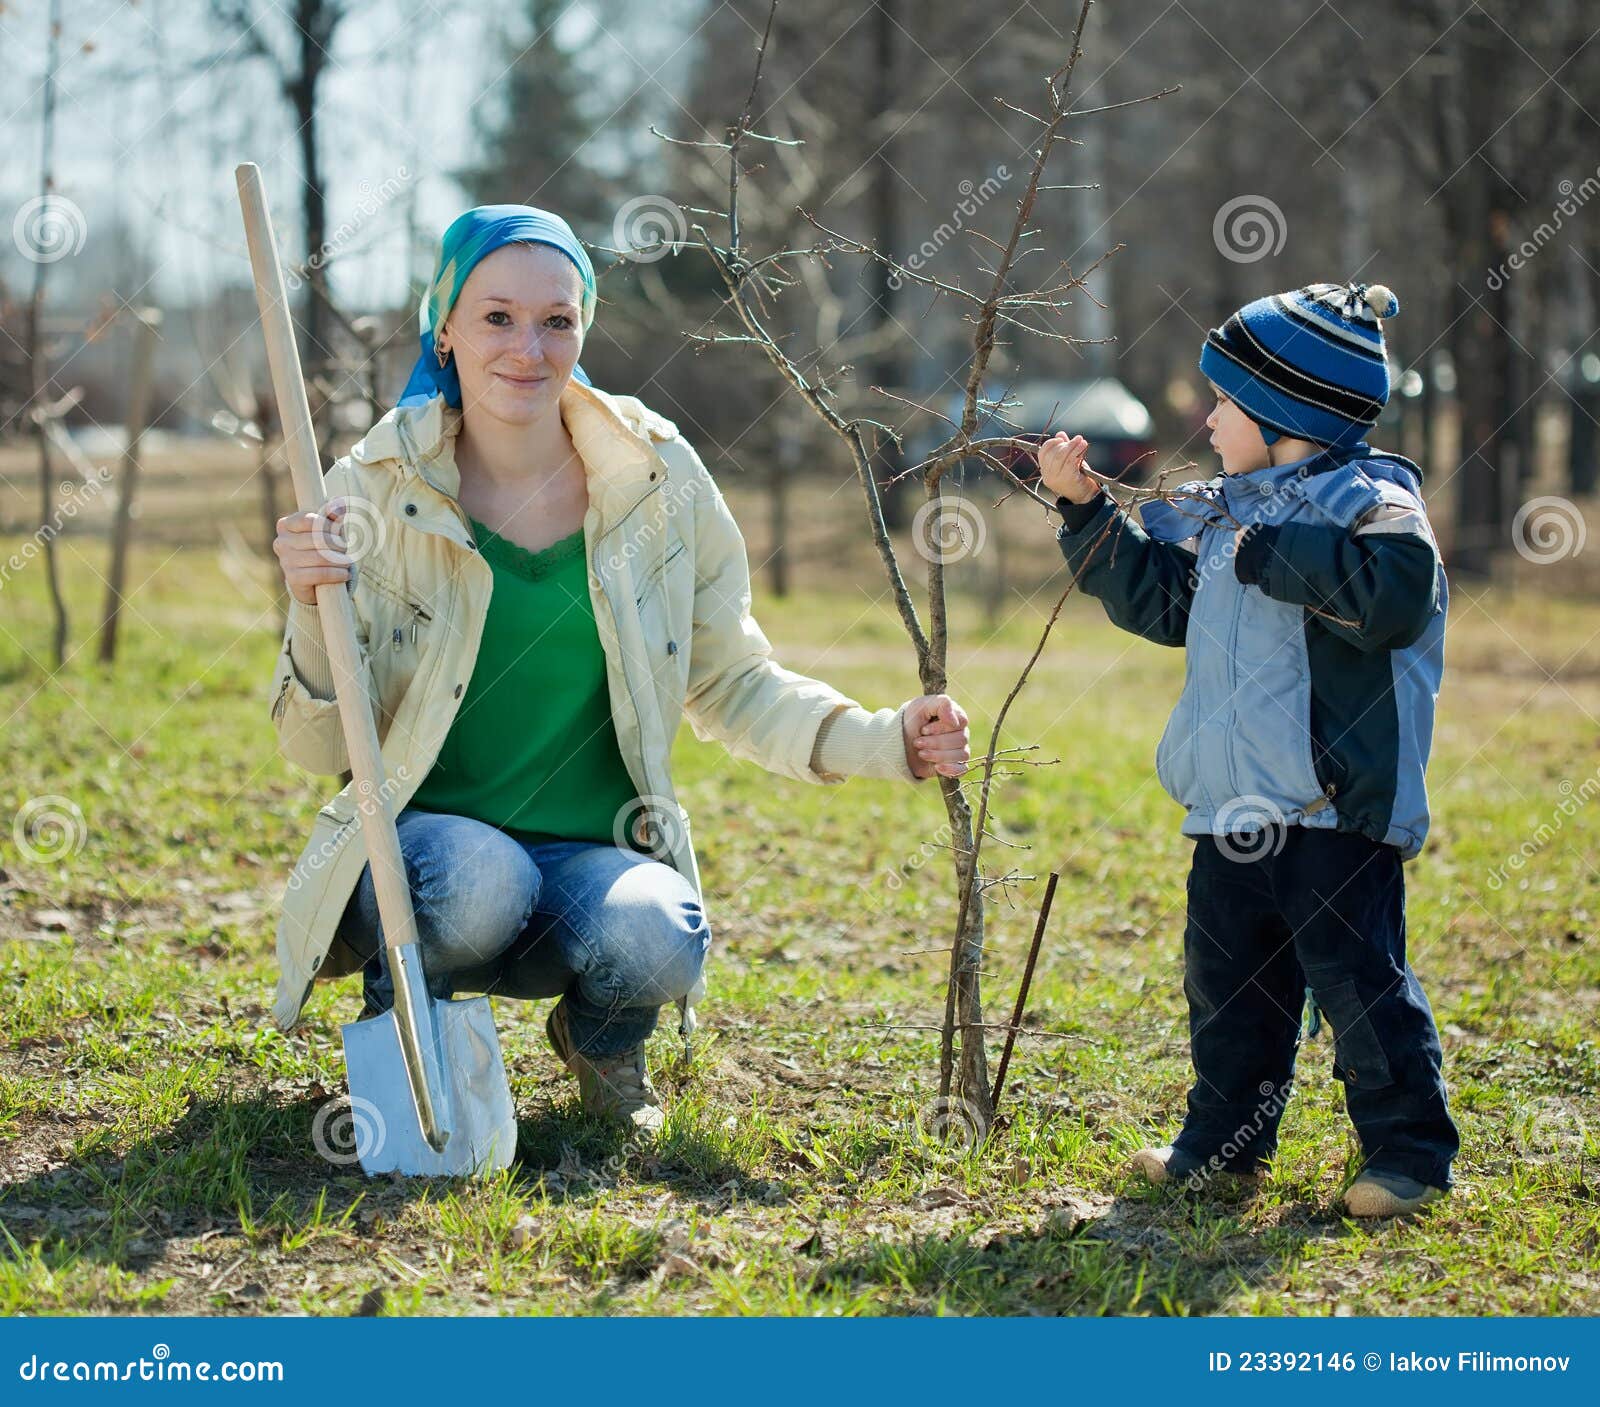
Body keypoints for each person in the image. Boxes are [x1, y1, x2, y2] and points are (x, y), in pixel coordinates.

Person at [267, 204, 971, 1136]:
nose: (529, 347)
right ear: (445, 326)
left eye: (557, 320)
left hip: (585, 859)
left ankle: (603, 1039)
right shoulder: (372, 485)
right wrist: (310, 601)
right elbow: (316, 741)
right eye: (497, 317)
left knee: (659, 930)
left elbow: (731, 678)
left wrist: (887, 741)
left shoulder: (656, 478)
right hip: (430, 858)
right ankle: (407, 1016)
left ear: (583, 330)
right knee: (481, 877)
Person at [1039, 281, 1459, 1217]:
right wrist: (1085, 515)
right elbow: (1165, 605)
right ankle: (1224, 1147)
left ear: (1288, 415)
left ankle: (1409, 1155)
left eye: (1226, 401)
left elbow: (1394, 597)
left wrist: (1275, 545)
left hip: (1331, 810)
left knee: (1358, 987)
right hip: (1230, 807)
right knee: (1229, 990)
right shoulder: (1232, 510)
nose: (1208, 416)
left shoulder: (1372, 500)